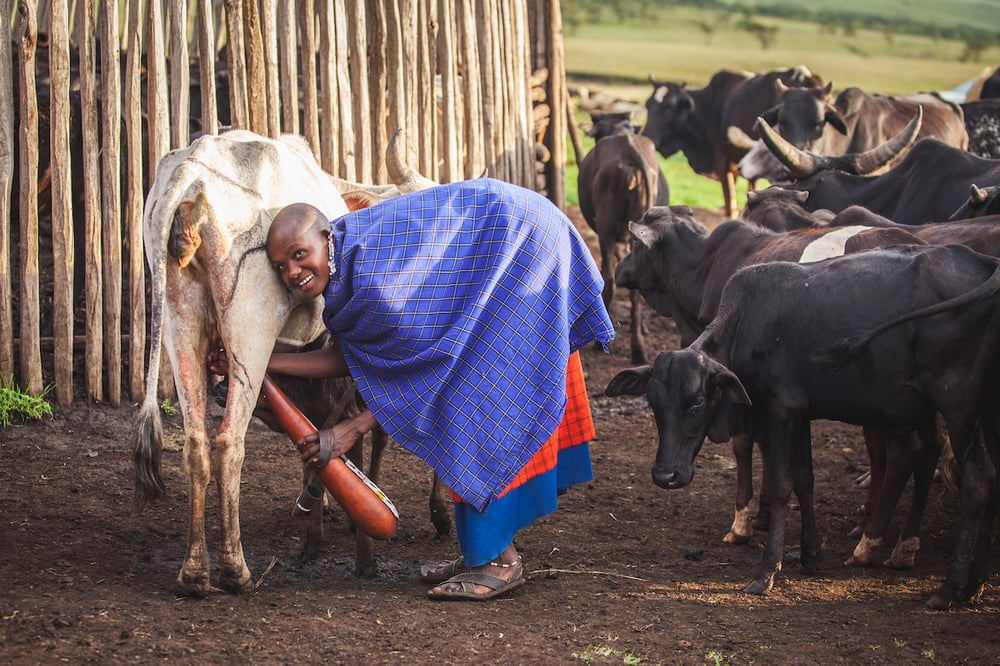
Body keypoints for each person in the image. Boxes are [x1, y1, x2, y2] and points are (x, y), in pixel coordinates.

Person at [212, 178, 614, 600]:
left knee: (470, 401)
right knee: (465, 396)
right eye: (281, 266)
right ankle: (481, 552)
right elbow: (354, 358)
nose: (292, 272)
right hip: (503, 234)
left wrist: (353, 428)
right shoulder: (347, 264)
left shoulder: (373, 282)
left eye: (299, 255)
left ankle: (501, 562)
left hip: (521, 243)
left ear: (326, 237)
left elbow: (428, 370)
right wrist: (260, 361)